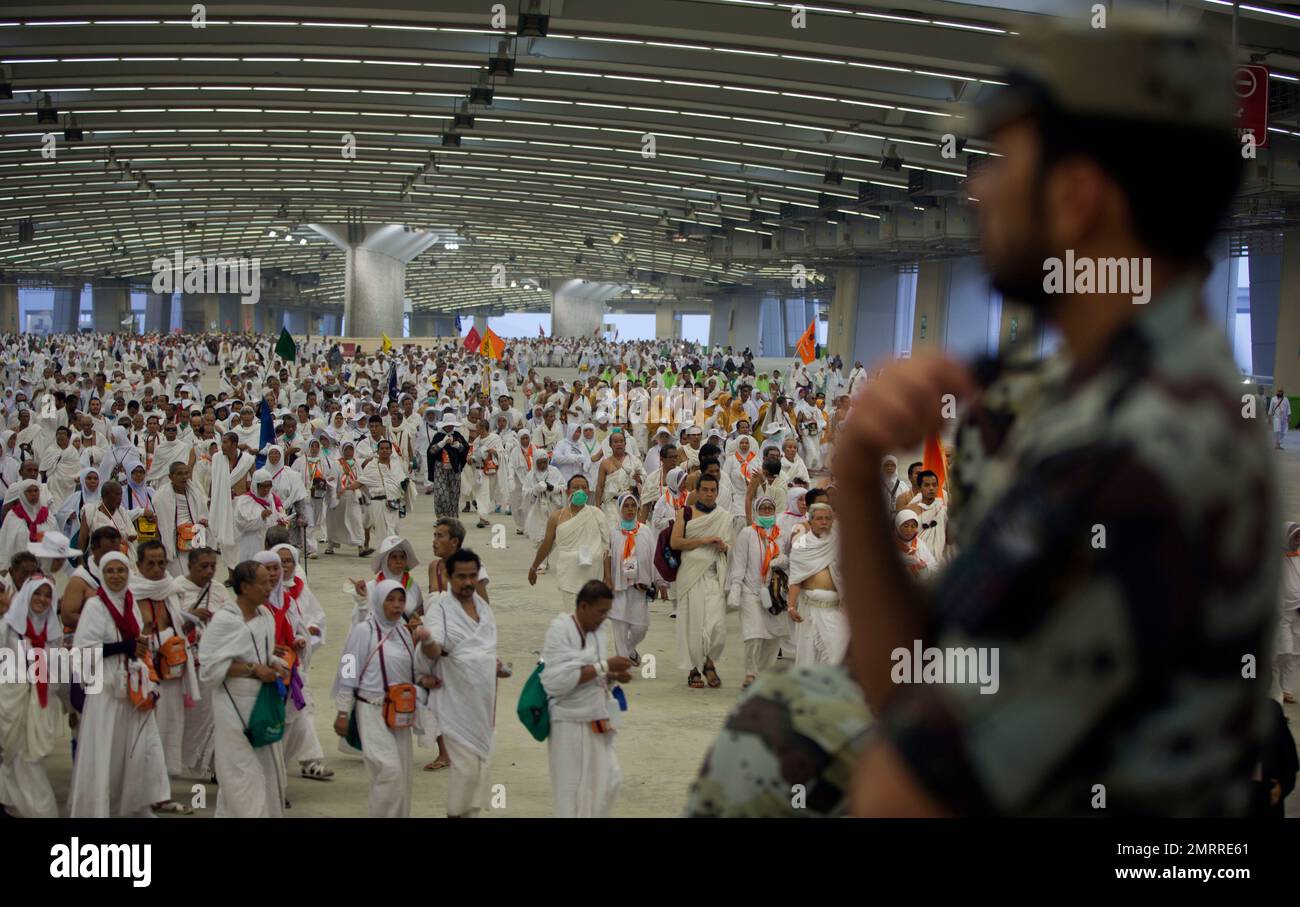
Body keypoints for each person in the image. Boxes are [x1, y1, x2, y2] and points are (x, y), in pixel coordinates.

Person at [826, 18, 1276, 816]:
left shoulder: (1134, 452)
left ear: (1076, 200)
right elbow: (911, 674)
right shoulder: (1104, 398)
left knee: (775, 739)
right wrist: (859, 471)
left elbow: (905, 792)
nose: (976, 188)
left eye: (1004, 161)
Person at [69, 550, 172, 817]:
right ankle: (100, 809)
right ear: (102, 575)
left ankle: (134, 806)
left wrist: (139, 653)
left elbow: (137, 640)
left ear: (129, 573)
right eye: (110, 571)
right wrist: (122, 647)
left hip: (131, 687)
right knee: (106, 750)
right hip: (106, 689)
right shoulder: (95, 606)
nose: (116, 576)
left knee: (136, 749)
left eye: (121, 570)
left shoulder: (129, 602)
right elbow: (83, 651)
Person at [196, 559, 289, 817]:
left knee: (265, 773)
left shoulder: (265, 615)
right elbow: (209, 667)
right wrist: (251, 669)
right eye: (263, 583)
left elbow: (262, 653)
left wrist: (273, 663)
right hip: (232, 706)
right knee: (240, 774)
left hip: (262, 704)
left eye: (271, 582)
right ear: (245, 587)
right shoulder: (225, 621)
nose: (269, 587)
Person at [418, 548, 502, 817]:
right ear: (449, 577)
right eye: (461, 577)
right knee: (465, 769)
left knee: (478, 768)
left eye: (472, 576)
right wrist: (428, 640)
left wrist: (495, 667)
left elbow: (487, 649)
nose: (467, 582)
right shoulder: (441, 609)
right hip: (453, 701)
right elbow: (435, 648)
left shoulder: (484, 609)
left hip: (483, 700)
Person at [541, 579, 631, 818]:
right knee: (570, 793)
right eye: (600, 612)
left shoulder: (598, 632)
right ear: (583, 607)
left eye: (607, 612)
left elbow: (593, 672)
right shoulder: (560, 630)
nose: (604, 618)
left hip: (596, 717)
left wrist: (613, 676)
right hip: (567, 722)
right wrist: (605, 665)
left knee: (608, 782)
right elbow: (557, 681)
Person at [333, 579, 418, 817]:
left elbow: (411, 669)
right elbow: (348, 669)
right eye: (390, 599)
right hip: (371, 710)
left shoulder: (403, 632)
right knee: (388, 772)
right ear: (379, 601)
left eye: (401, 600)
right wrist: (342, 711)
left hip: (400, 712)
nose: (397, 605)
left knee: (402, 776)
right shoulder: (364, 631)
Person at [132, 539, 201, 803]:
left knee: (171, 729)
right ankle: (145, 793)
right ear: (139, 565)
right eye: (150, 563)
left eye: (161, 563)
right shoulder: (131, 593)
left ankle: (163, 792)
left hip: (171, 673)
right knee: (146, 734)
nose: (157, 568)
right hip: (144, 674)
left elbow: (177, 622)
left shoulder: (171, 590)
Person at [0, 576, 63, 817]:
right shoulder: (8, 628)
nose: (42, 600)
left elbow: (58, 674)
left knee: (29, 761)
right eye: (38, 594)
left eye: (48, 595)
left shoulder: (52, 634)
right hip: (9, 705)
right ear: (27, 595)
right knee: (14, 761)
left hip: (39, 708)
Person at [270, 544, 332, 781]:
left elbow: (318, 618)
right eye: (279, 561)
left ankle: (309, 761)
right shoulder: (264, 592)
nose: (284, 566)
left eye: (288, 561)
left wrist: (309, 634)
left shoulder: (301, 591)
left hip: (297, 664)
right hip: (275, 666)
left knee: (304, 709)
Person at [672, 473, 733, 689]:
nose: (709, 494)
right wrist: (704, 540)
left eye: (712, 490)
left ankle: (709, 661)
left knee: (717, 627)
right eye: (705, 490)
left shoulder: (724, 516)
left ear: (717, 492)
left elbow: (731, 546)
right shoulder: (686, 512)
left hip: (714, 574)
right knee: (693, 624)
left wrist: (725, 548)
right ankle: (694, 669)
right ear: (697, 491)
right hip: (690, 574)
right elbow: (676, 542)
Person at [174, 546, 226, 780]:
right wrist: (191, 616)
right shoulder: (176, 588)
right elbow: (167, 624)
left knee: (215, 718)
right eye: (203, 566)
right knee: (189, 718)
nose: (209, 571)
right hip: (184, 664)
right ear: (190, 566)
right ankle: (185, 761)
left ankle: (214, 766)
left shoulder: (218, 589)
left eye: (213, 566)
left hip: (212, 662)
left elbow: (230, 619)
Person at [728, 495, 791, 688]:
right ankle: (751, 673)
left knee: (773, 636)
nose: (766, 512)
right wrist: (735, 588)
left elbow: (790, 559)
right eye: (763, 509)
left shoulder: (782, 534)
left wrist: (782, 560)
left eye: (769, 509)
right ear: (757, 511)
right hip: (751, 590)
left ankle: (763, 674)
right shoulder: (748, 533)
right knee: (753, 634)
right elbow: (739, 562)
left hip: (774, 593)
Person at [528, 474, 611, 609]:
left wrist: (608, 577)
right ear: (567, 491)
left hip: (594, 574)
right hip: (570, 575)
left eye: (584, 487)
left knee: (592, 618)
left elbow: (607, 547)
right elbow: (547, 545)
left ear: (588, 492)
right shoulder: (557, 517)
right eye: (575, 487)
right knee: (574, 617)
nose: (579, 490)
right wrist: (534, 566)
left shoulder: (596, 513)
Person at [786, 503, 846, 666]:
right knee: (809, 658)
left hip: (835, 609)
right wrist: (791, 606)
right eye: (819, 518)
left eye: (827, 518)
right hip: (810, 609)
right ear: (811, 521)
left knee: (837, 656)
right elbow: (795, 579)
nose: (824, 522)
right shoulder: (801, 546)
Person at [605, 493, 655, 665]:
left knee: (640, 627)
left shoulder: (645, 531)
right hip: (618, 585)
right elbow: (607, 555)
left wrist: (657, 582)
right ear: (620, 508)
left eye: (633, 506)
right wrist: (607, 578)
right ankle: (622, 662)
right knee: (619, 624)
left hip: (638, 585)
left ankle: (628, 649)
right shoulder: (613, 532)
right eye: (626, 506)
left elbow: (653, 556)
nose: (630, 509)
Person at [153, 461, 211, 577]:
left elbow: (203, 512)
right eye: (180, 474)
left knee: (197, 574)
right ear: (170, 477)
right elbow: (161, 523)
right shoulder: (160, 496)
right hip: (174, 540)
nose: (184, 477)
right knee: (178, 578)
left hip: (194, 537)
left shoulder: (195, 492)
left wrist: (204, 521)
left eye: (186, 473)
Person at [234, 469, 290, 563]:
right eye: (263, 486)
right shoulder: (245, 501)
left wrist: (280, 521)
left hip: (270, 542)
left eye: (269, 486)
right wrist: (261, 517)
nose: (266, 489)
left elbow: (276, 516)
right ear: (256, 485)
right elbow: (241, 524)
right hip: (252, 543)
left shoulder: (272, 499)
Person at [1275, 522, 1300, 703]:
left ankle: (1286, 690)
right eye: (1295, 536)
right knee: (1284, 652)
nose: (1298, 540)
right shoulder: (1274, 558)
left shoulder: (1298, 558)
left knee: (1297, 653)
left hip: (1298, 613)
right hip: (1281, 614)